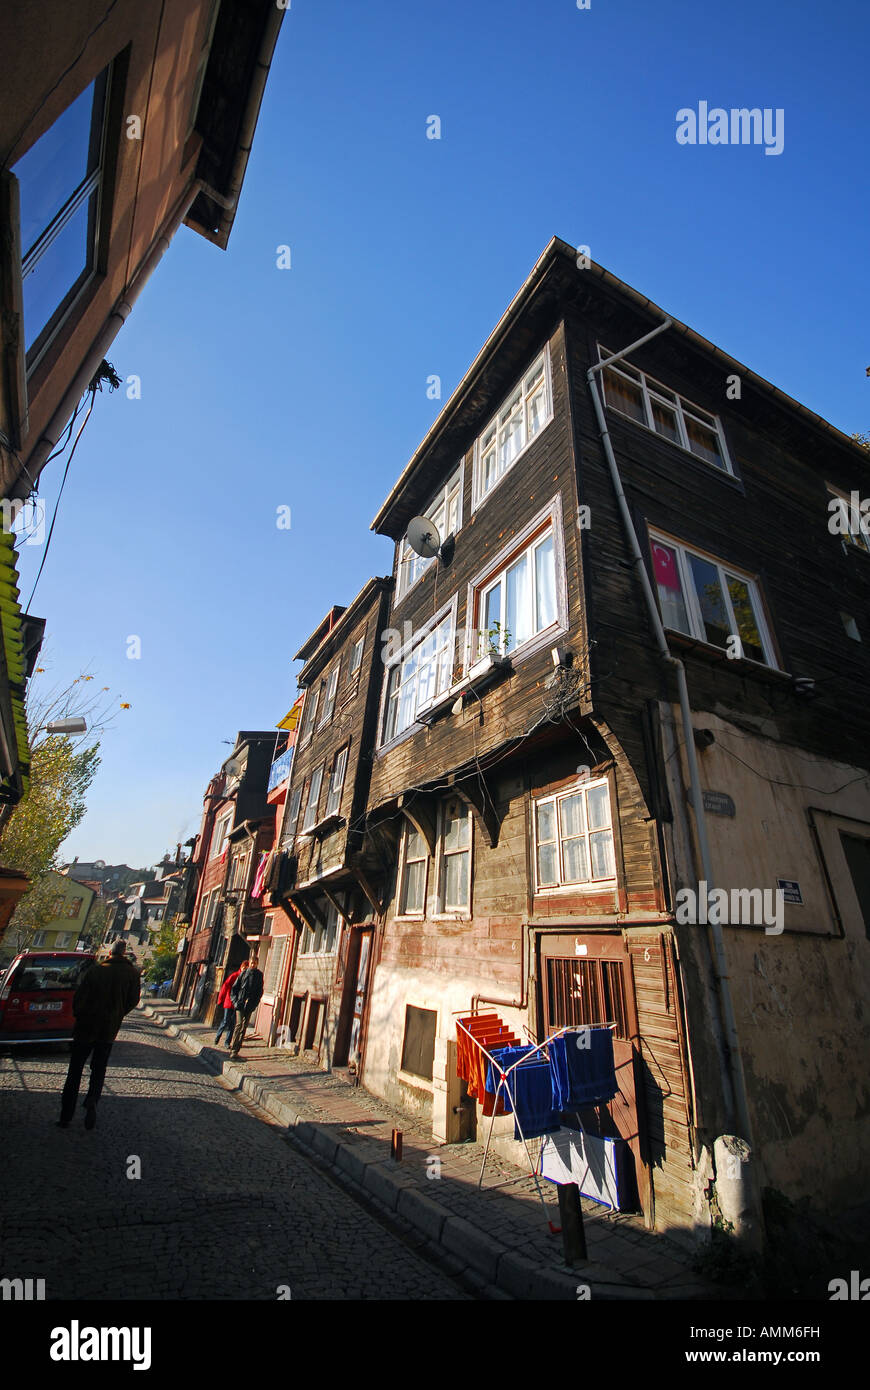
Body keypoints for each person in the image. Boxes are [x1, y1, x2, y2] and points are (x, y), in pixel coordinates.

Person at [57, 939, 141, 1130]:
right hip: (108, 1029)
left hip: (86, 1026)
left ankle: (66, 1115)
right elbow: (133, 1000)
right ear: (124, 953)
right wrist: (118, 1013)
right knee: (98, 1069)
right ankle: (92, 1100)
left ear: (110, 953)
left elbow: (80, 997)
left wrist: (79, 1015)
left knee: (75, 1070)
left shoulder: (96, 970)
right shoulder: (131, 974)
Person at [228, 954, 263, 1058]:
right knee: (238, 1025)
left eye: (255, 963)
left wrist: (254, 1004)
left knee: (244, 1027)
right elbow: (234, 989)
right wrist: (235, 1001)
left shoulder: (259, 975)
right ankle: (233, 1049)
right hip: (240, 1003)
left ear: (257, 964)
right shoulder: (243, 974)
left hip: (250, 1005)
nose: (253, 965)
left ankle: (237, 1048)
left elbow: (259, 992)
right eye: (252, 963)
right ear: (249, 963)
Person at [214, 960, 247, 1046]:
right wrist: (220, 999)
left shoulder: (245, 979)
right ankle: (218, 1036)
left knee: (232, 1024)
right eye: (244, 968)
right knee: (225, 1021)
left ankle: (227, 1042)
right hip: (229, 1003)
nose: (244, 970)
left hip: (237, 1004)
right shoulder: (234, 976)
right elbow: (225, 987)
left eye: (246, 969)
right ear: (241, 967)